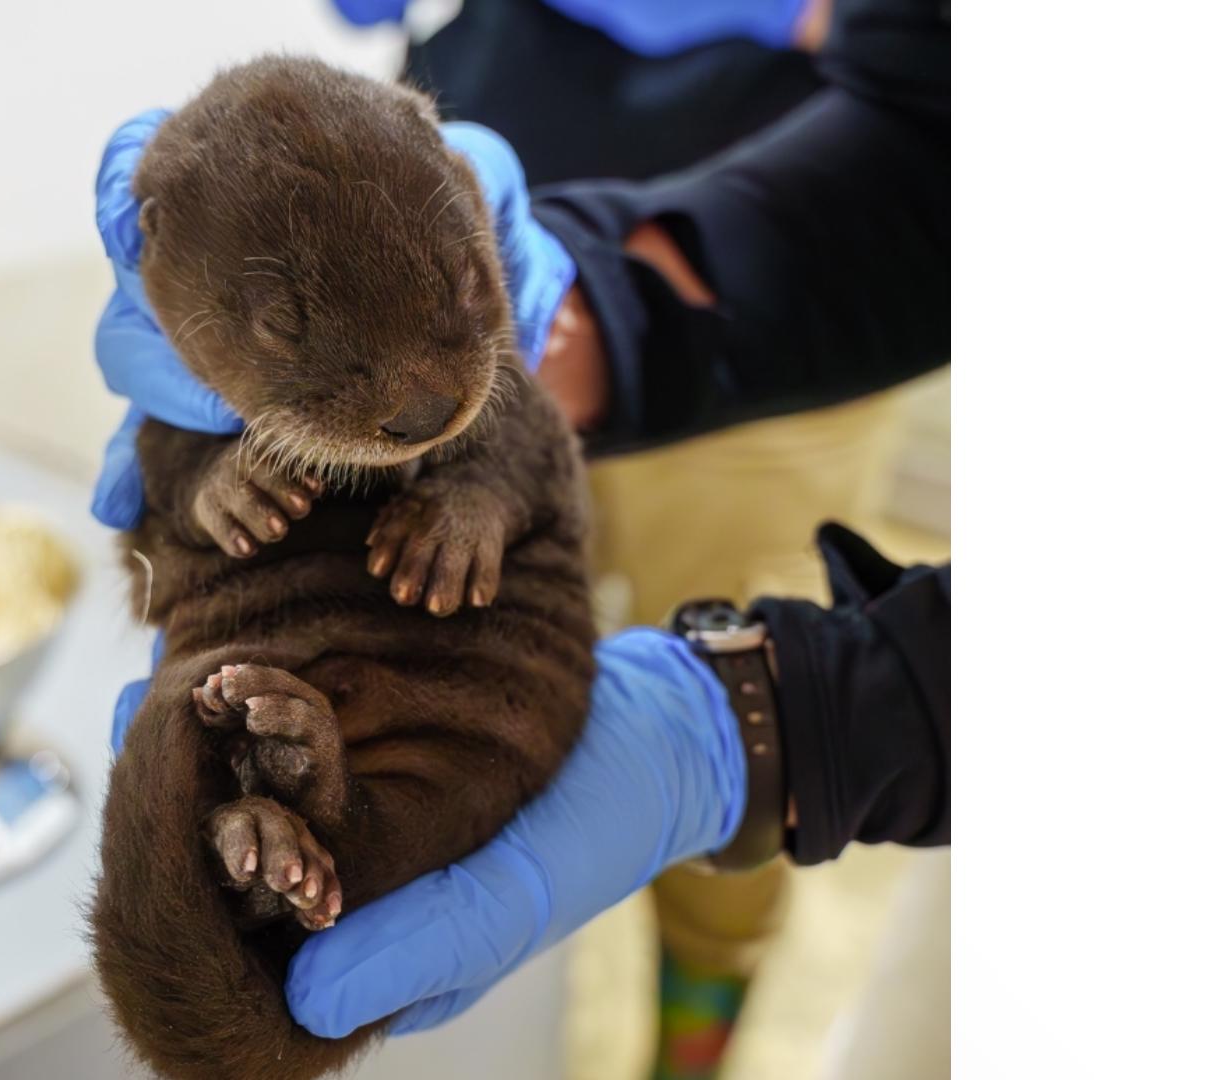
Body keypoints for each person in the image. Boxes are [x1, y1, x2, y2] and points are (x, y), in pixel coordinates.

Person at [91, 0, 948, 1048]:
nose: (412, 408)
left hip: (732, 280)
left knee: (702, 820)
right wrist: (606, 309)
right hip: (573, 279)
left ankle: (696, 1036)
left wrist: (800, 722)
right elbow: (937, 143)